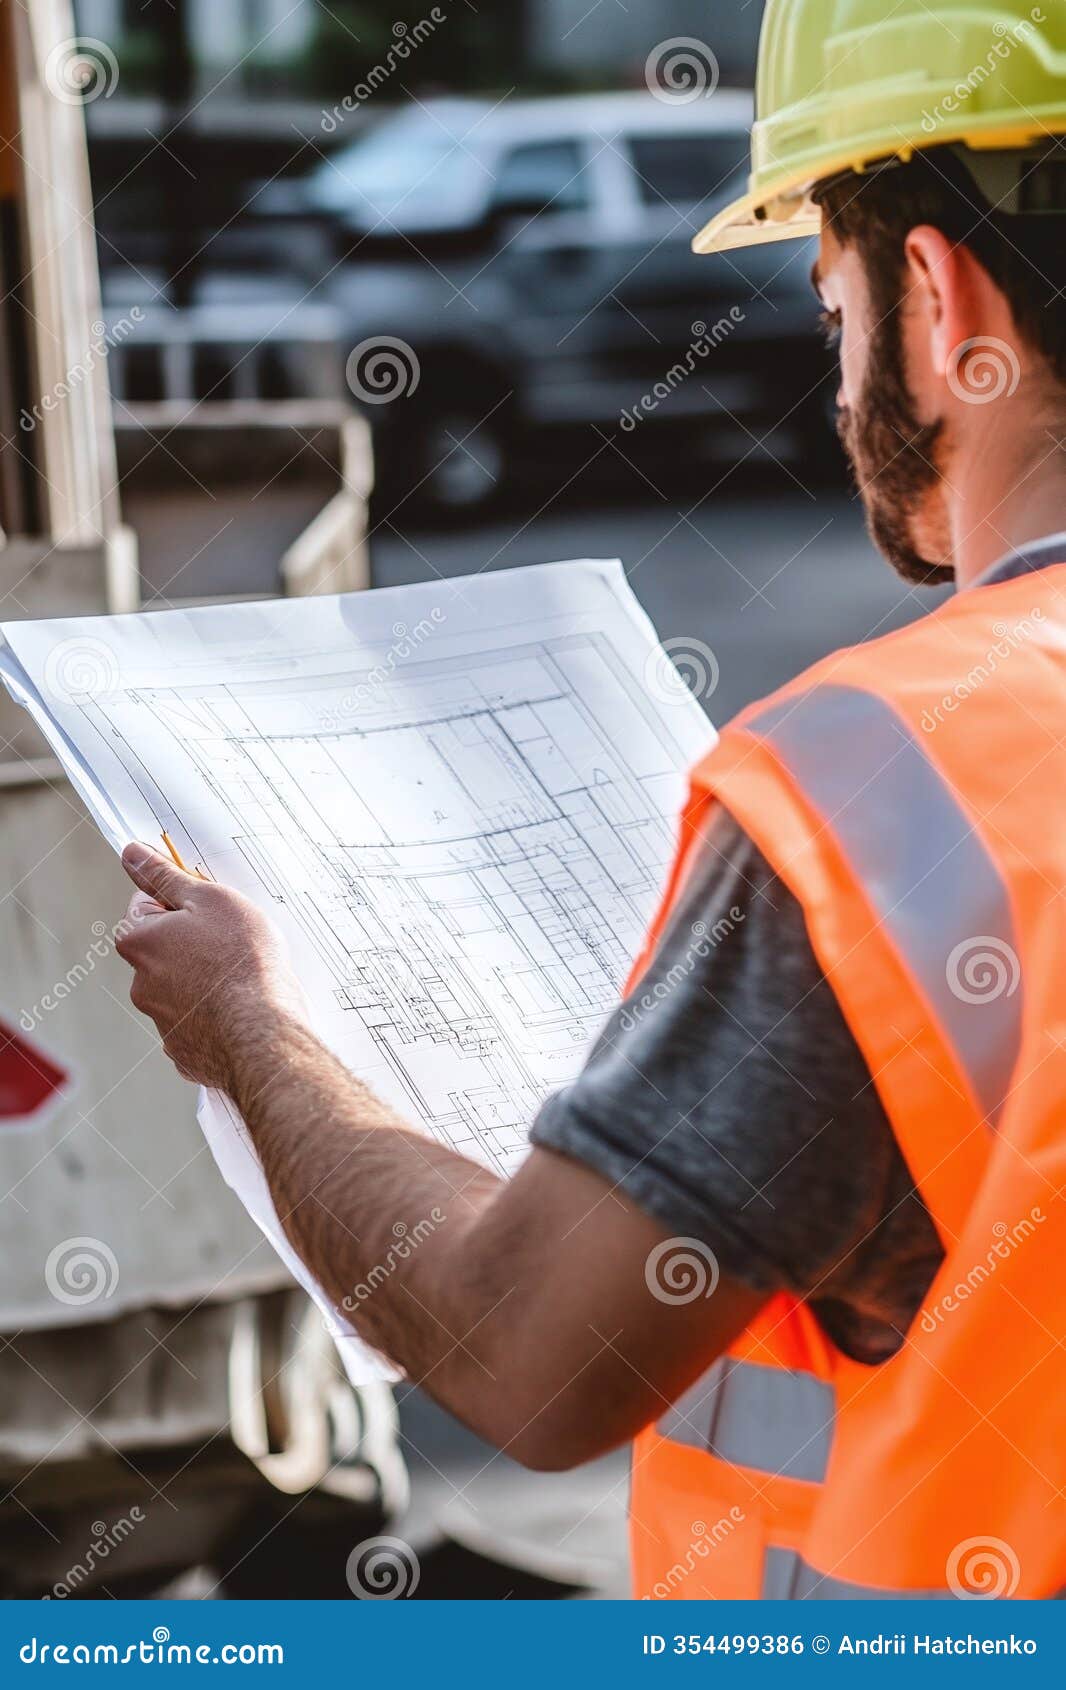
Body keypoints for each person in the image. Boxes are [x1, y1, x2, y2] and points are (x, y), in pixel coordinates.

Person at [116, 0, 1066, 1599]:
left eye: (831, 310)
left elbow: (530, 1351)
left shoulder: (885, 779)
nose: (839, 384)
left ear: (932, 289)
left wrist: (251, 1027)